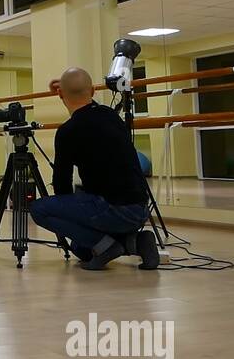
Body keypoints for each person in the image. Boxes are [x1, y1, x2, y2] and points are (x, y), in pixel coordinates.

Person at [29, 68, 159, 271]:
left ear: (60, 94)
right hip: (140, 209)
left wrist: (74, 210)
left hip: (111, 209)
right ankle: (137, 241)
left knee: (39, 209)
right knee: (81, 250)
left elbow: (62, 184)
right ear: (93, 91)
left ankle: (109, 246)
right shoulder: (111, 116)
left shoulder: (67, 132)